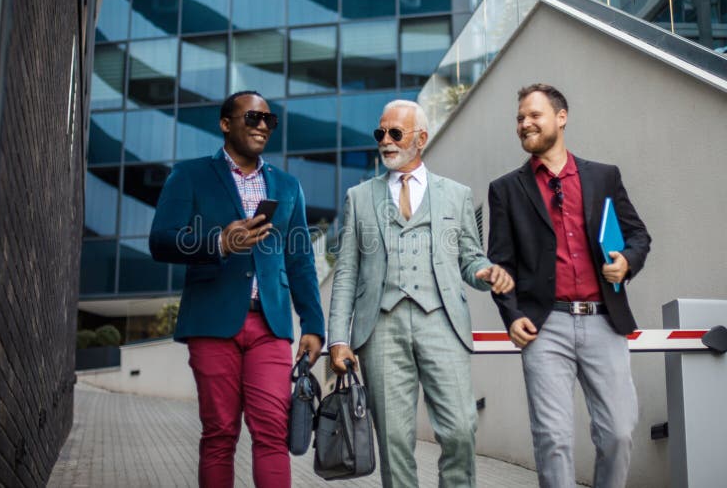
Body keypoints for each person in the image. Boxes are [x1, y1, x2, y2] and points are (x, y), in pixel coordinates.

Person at [328, 100, 514, 487]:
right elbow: (346, 273)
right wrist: (338, 340)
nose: (386, 142)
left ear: (421, 139)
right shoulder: (359, 198)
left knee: (461, 429)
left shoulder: (457, 195)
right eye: (381, 134)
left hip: (442, 322)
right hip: (380, 328)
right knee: (394, 442)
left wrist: (485, 272)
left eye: (396, 133)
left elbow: (470, 258)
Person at [149, 91, 325, 488]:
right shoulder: (190, 174)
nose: (262, 125)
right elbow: (161, 240)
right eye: (252, 117)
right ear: (226, 124)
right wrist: (218, 243)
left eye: (268, 119)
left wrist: (313, 323)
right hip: (212, 320)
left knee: (272, 434)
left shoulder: (287, 185)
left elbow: (299, 260)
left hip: (270, 325)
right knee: (220, 434)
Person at [487, 83, 651, 488]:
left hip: (604, 321)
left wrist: (627, 261)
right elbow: (501, 263)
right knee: (553, 440)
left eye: (534, 116)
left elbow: (638, 236)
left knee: (618, 432)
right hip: (545, 326)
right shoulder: (505, 189)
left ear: (561, 117)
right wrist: (511, 314)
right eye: (520, 118)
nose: (525, 123)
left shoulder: (603, 177)